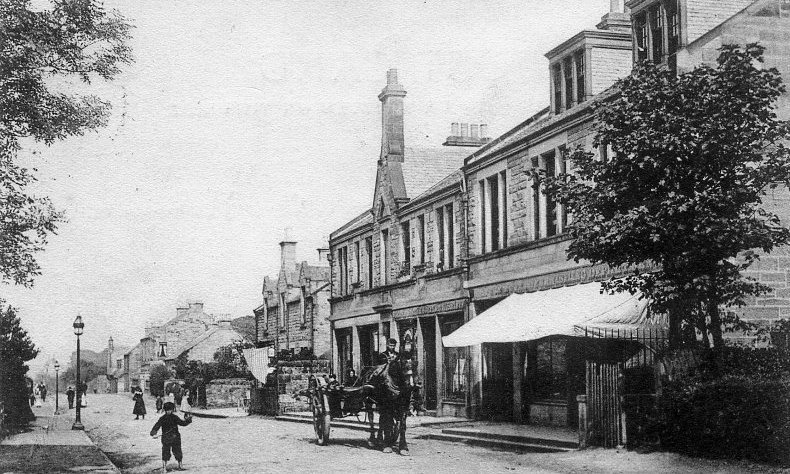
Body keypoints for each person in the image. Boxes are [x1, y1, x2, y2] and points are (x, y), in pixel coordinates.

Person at [150, 401, 193, 472]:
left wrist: (188, 420)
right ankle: (164, 468)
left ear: (172, 410)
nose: (168, 411)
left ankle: (180, 465)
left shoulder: (175, 417)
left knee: (178, 451)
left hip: (175, 437)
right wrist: (153, 433)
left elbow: (182, 423)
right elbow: (156, 426)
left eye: (170, 410)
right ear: (165, 410)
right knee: (165, 452)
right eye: (167, 410)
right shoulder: (162, 418)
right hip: (166, 438)